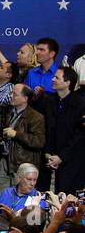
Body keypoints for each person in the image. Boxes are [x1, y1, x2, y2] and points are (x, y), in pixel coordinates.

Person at [44, 66, 85, 195]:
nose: (53, 79)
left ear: (67, 83)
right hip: (51, 159)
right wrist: (48, 153)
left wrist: (61, 157)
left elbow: (79, 136)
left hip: (73, 162)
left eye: (57, 77)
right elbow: (48, 130)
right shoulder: (50, 101)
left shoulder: (80, 104)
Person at [0, 84, 45, 190]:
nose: (11, 96)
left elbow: (38, 142)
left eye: (15, 94)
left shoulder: (36, 117)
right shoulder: (10, 113)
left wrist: (16, 134)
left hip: (21, 164)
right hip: (6, 160)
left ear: (25, 98)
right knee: (3, 196)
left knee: (20, 197)